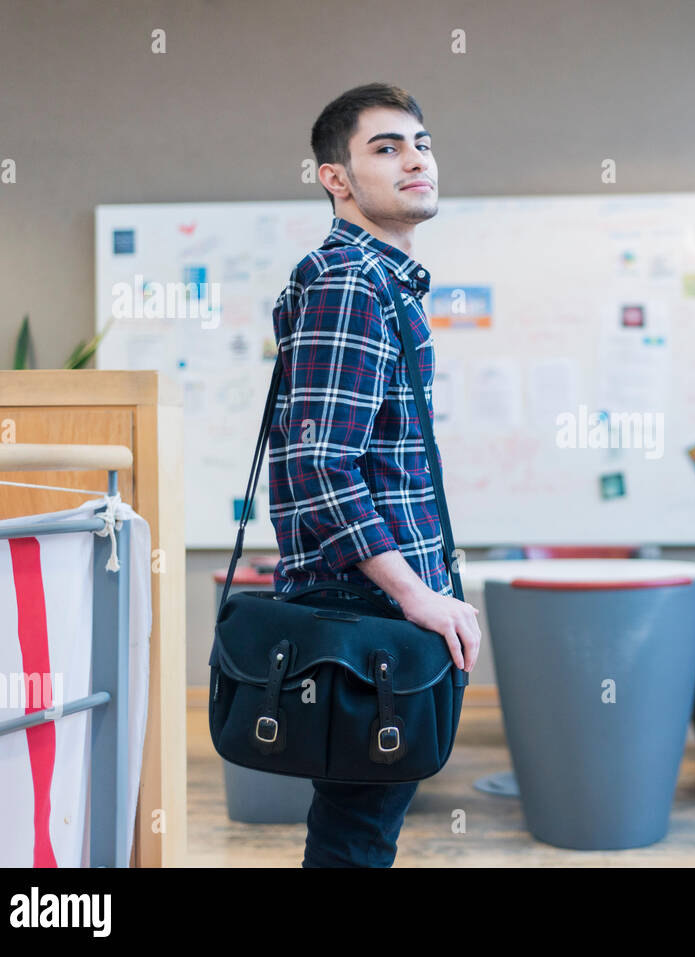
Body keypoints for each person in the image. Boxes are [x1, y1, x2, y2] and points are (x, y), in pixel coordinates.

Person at [268, 82, 481, 867]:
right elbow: (321, 462)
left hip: (381, 602)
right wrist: (414, 593)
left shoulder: (377, 279)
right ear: (336, 177)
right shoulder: (350, 282)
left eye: (420, 143)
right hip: (371, 610)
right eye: (385, 148)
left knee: (356, 830)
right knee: (356, 840)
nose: (414, 160)